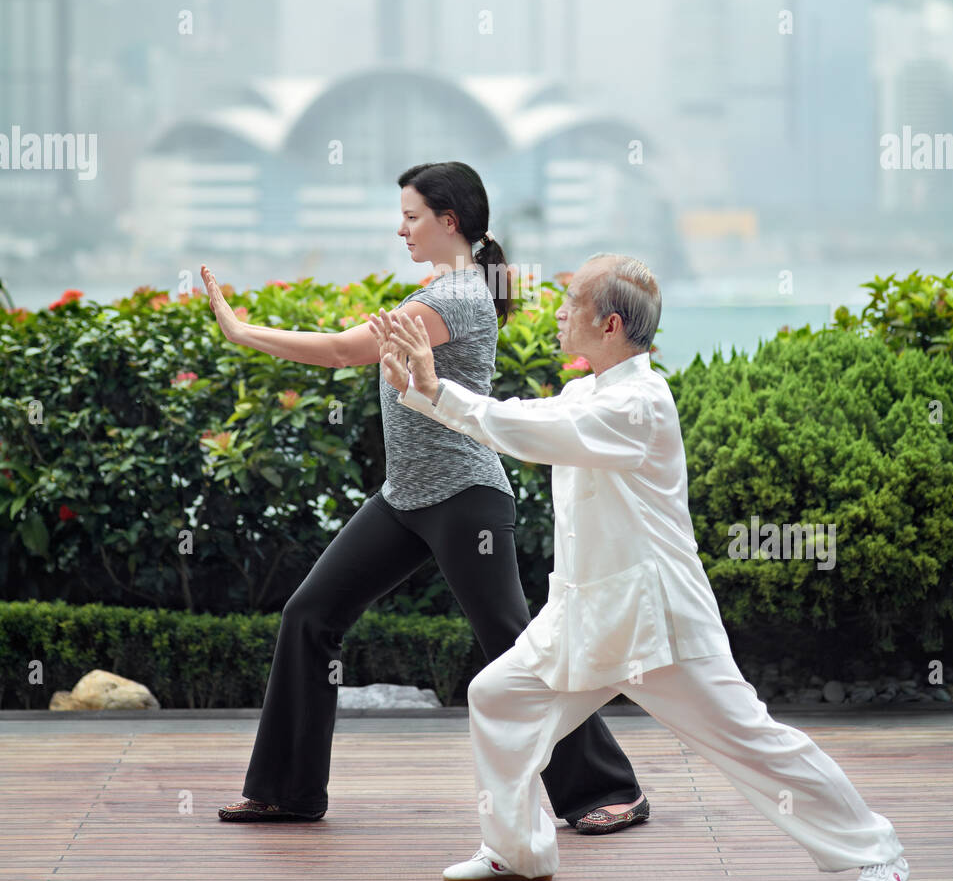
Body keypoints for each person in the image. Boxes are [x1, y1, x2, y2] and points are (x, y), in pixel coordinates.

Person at [373, 253, 910, 881]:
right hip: (583, 618)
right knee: (498, 698)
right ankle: (517, 852)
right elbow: (526, 418)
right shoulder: (585, 393)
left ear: (611, 324)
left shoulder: (641, 403)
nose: (560, 315)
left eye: (573, 305)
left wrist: (434, 389)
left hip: (661, 623)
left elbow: (528, 429)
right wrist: (417, 389)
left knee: (753, 740)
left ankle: (877, 852)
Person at [203, 161, 646, 832]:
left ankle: (609, 789)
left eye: (412, 216)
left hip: (465, 497)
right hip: (405, 499)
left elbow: (340, 349)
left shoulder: (458, 296)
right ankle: (286, 790)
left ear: (450, 221)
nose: (400, 228)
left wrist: (244, 332)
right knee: (309, 615)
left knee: (510, 642)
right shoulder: (440, 291)